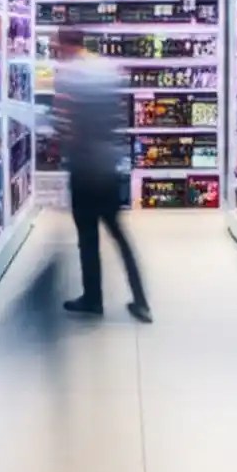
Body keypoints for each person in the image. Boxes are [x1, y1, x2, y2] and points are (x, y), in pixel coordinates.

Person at [53, 27, 152, 323]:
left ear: (65, 45)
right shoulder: (109, 70)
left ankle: (93, 299)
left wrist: (55, 132)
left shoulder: (70, 75)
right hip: (108, 165)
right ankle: (141, 301)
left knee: (88, 237)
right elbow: (118, 115)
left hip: (84, 168)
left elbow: (65, 123)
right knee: (120, 236)